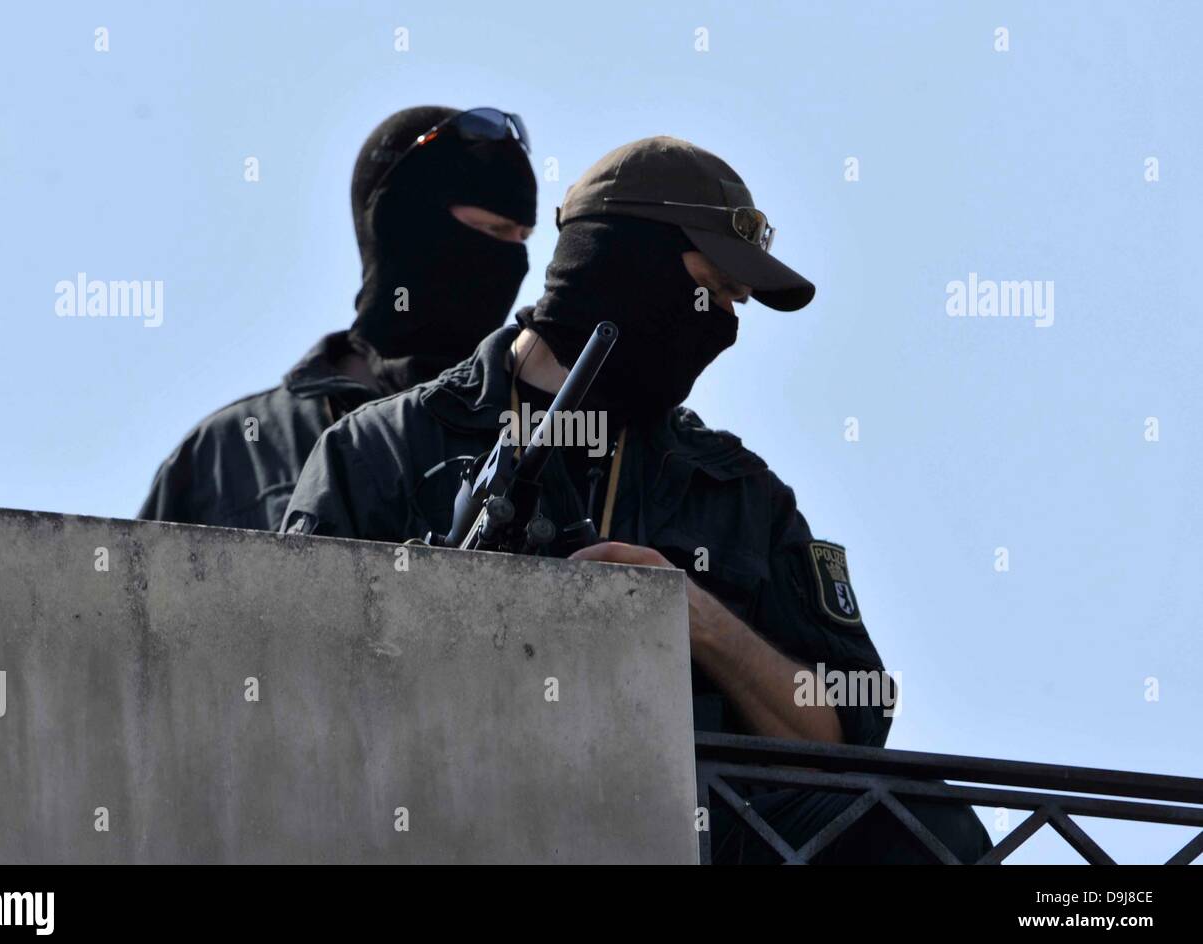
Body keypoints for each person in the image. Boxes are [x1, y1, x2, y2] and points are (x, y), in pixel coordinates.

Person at [282, 136, 992, 864]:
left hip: (679, 840)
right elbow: (281, 696)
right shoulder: (383, 452)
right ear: (622, 260)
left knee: (925, 824)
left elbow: (848, 735)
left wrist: (696, 620)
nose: (724, 324)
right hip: (432, 830)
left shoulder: (739, 494)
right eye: (710, 289)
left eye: (734, 303)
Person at [137, 106, 537, 530]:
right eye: (492, 231)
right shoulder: (225, 456)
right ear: (403, 226)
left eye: (523, 238)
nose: (514, 261)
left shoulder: (535, 437)